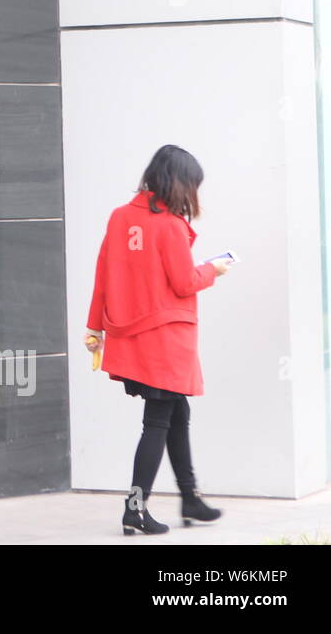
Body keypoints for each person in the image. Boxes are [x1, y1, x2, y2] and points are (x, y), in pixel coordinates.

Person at [84, 144, 233, 536]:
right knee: (158, 421)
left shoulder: (119, 218)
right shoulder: (169, 226)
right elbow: (185, 282)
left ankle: (190, 498)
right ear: (178, 183)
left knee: (175, 414)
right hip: (164, 340)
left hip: (129, 337)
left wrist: (94, 328)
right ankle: (135, 508)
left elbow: (103, 274)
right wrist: (214, 269)